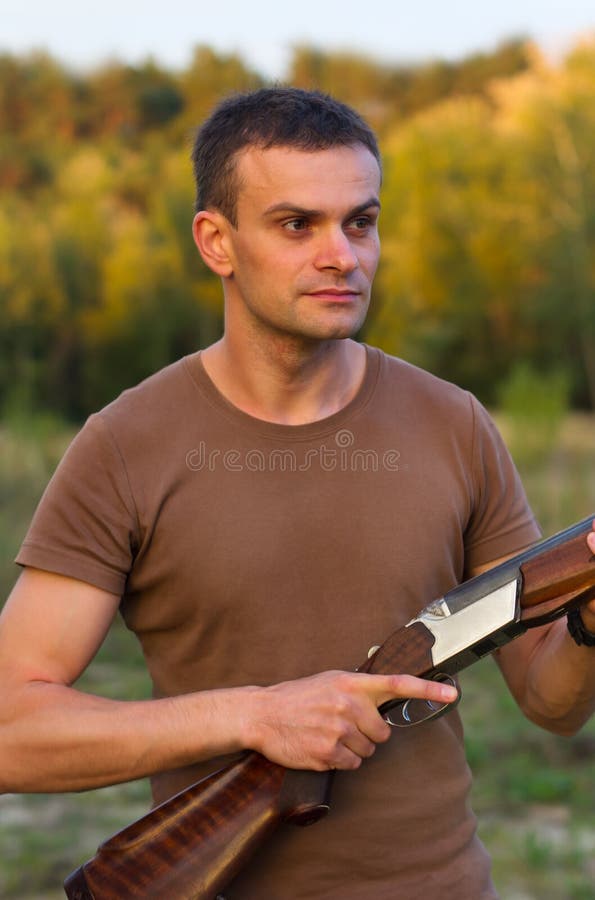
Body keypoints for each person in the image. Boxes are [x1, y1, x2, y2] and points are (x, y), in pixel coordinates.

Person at [1, 87, 594, 899]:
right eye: (296, 225)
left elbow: (552, 704)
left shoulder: (454, 422)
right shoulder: (123, 445)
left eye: (361, 221)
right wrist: (254, 716)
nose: (342, 255)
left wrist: (587, 621)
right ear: (216, 241)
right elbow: (10, 733)